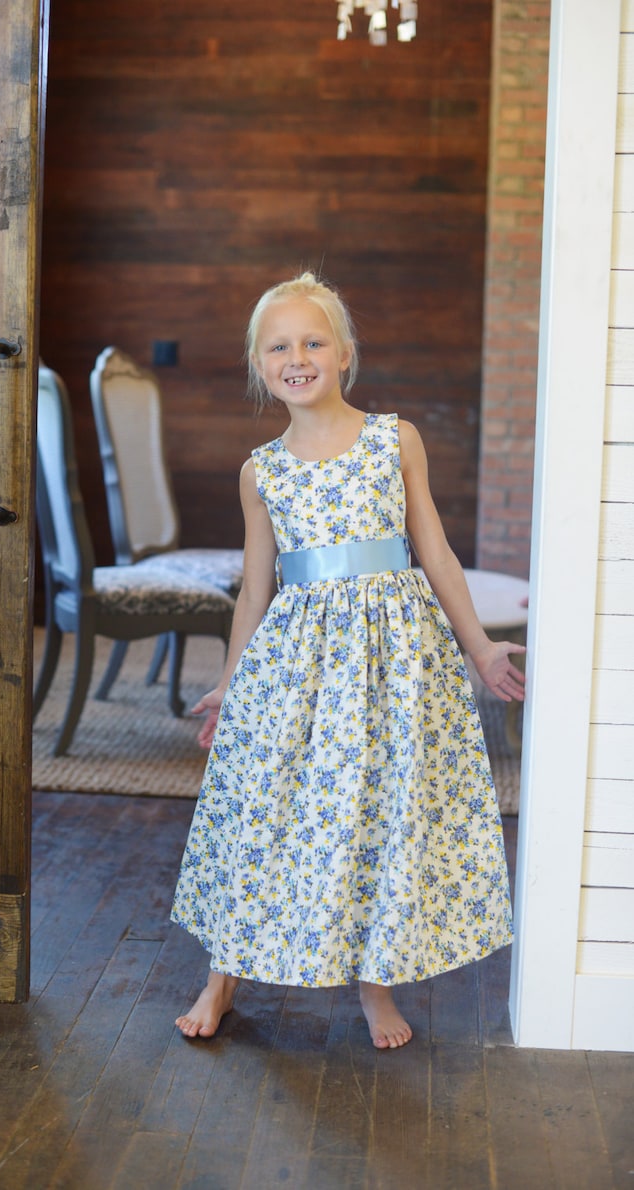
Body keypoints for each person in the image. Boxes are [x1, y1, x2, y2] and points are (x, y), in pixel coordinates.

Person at [170, 272, 525, 1049]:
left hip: (393, 665)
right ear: (259, 365)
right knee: (263, 809)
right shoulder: (260, 472)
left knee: (376, 812)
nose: (296, 357)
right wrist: (233, 682)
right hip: (296, 666)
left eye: (313, 341)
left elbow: (435, 553)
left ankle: (375, 983)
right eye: (278, 347)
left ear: (345, 354)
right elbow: (253, 592)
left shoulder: (394, 440)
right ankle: (223, 975)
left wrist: (479, 648)